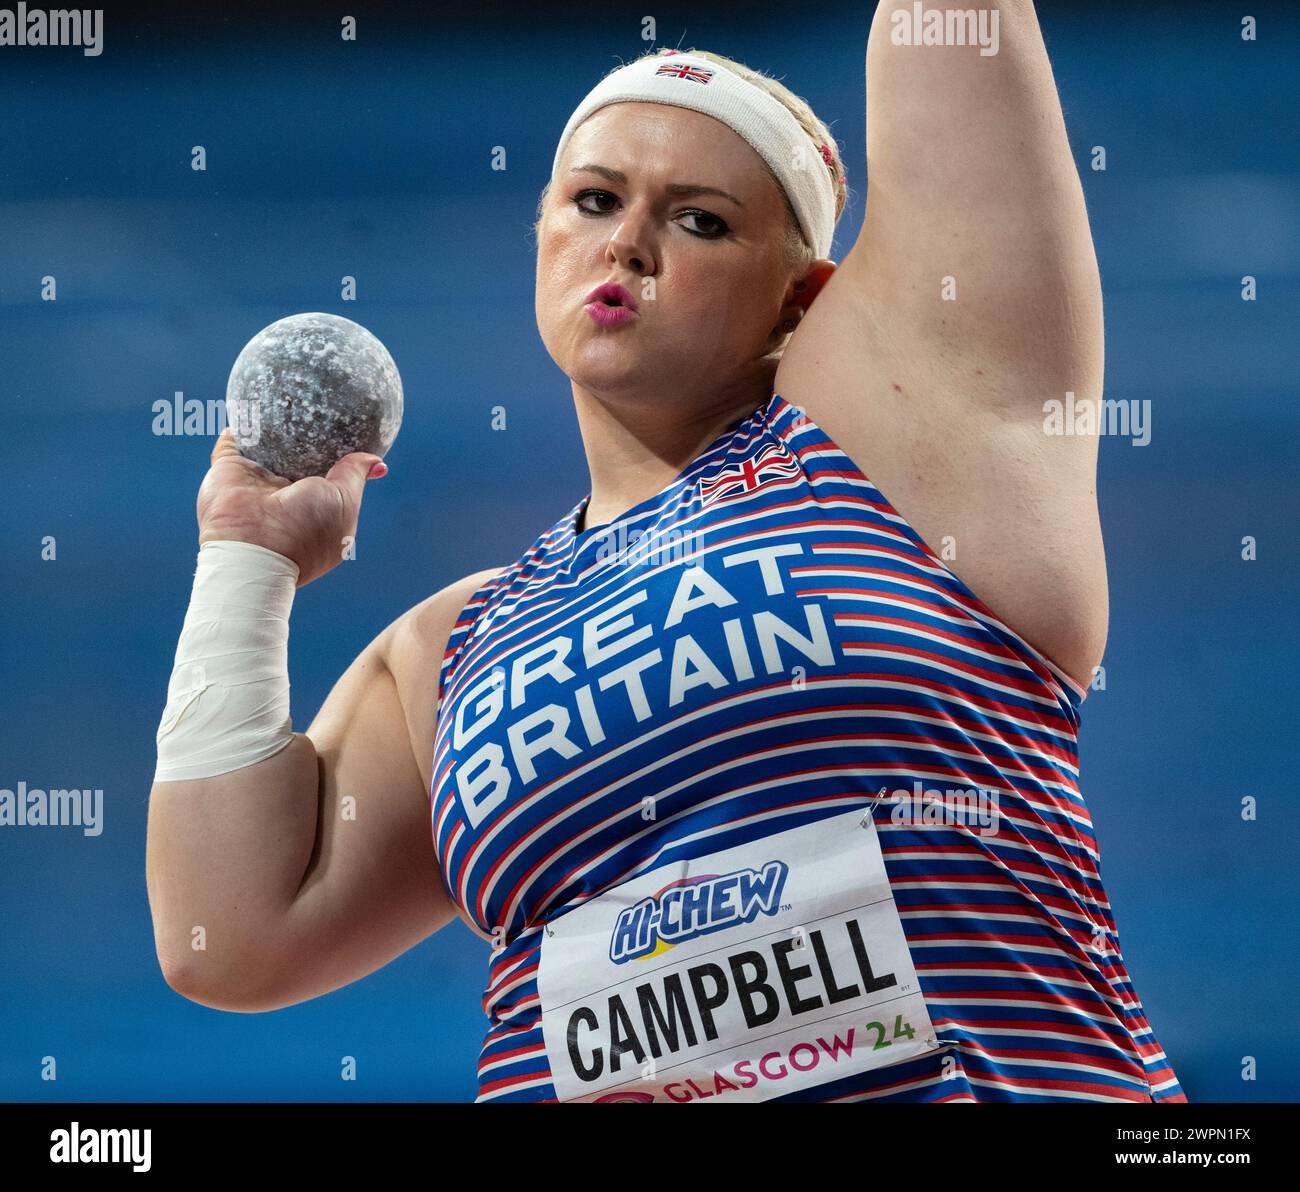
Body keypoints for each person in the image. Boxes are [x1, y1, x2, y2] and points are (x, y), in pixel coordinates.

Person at [148, 8, 1185, 1104]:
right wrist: (244, 556)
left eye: (697, 220)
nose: (626, 243)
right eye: (594, 200)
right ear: (542, 236)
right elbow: (228, 936)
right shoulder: (455, 646)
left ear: (806, 297)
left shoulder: (908, 452)